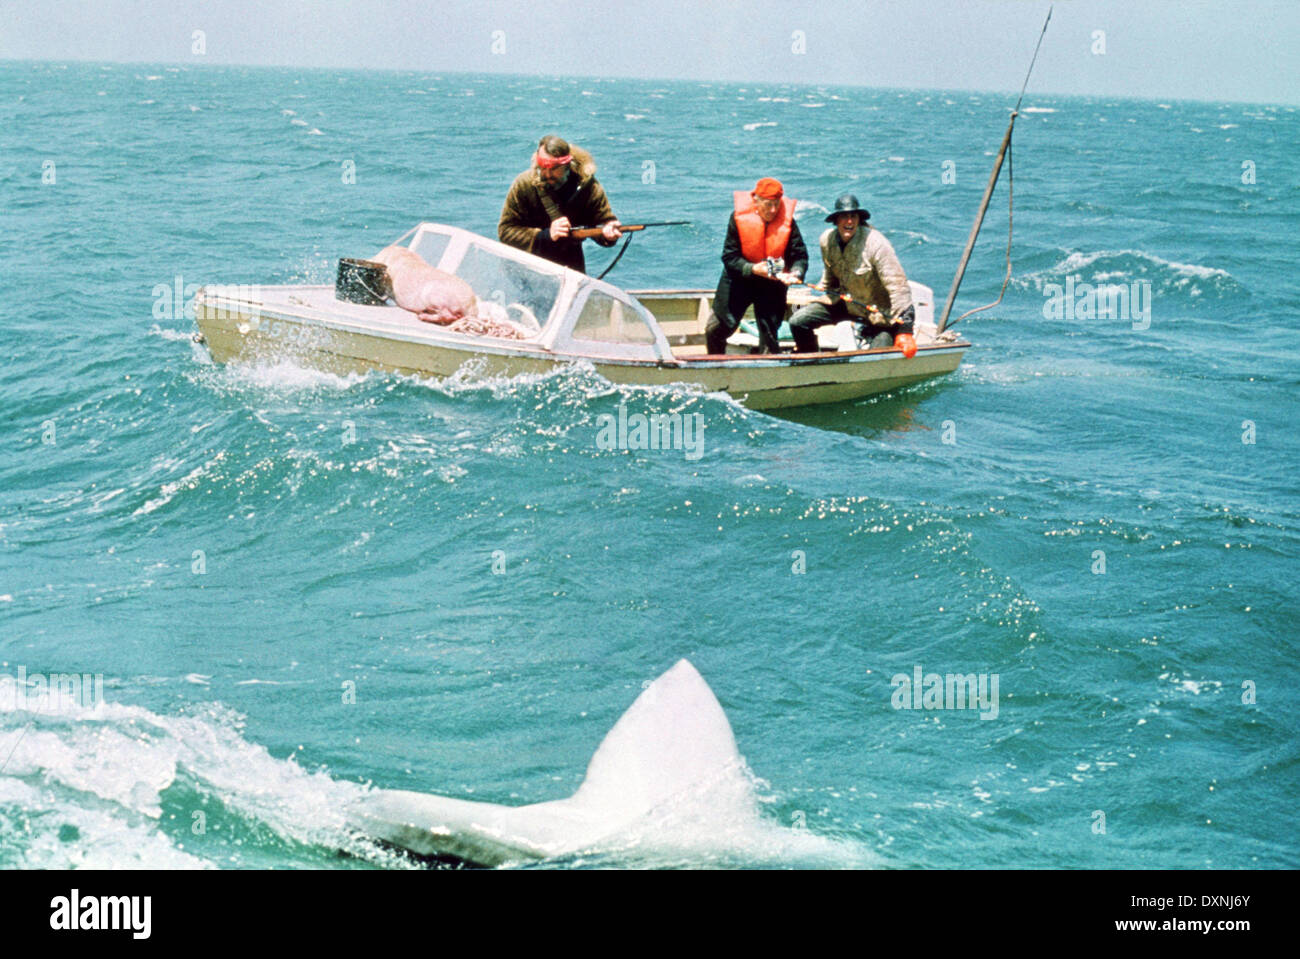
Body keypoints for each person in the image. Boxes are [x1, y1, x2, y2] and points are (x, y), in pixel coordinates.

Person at [788, 193, 915, 353]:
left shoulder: (876, 243)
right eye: (844, 216)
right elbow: (830, 278)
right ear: (836, 220)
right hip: (845, 303)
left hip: (880, 315)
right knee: (798, 321)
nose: (849, 221)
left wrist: (905, 330)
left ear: (859, 219)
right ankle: (810, 358)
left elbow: (899, 288)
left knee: (875, 356)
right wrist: (814, 290)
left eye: (853, 216)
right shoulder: (827, 240)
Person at [706, 177, 808, 355]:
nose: (774, 210)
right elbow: (729, 257)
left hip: (772, 281)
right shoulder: (737, 219)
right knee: (715, 329)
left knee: (769, 334)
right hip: (739, 278)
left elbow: (800, 256)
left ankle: (768, 372)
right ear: (756, 201)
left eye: (777, 204)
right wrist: (752, 268)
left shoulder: (788, 223)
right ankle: (716, 367)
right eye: (768, 205)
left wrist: (795, 273)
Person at [498, 134, 622, 274]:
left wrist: (607, 234)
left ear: (567, 165)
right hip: (527, 267)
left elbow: (603, 223)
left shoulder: (588, 187)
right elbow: (506, 232)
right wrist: (546, 235)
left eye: (554, 168)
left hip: (569, 268)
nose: (548, 174)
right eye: (543, 167)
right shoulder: (524, 184)